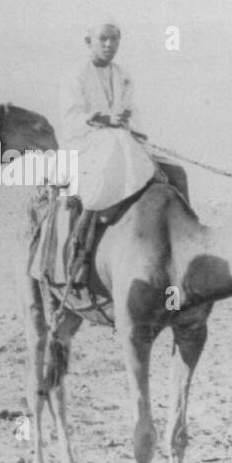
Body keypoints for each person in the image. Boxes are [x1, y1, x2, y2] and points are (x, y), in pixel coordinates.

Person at [56, 20, 159, 285]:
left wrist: (125, 118)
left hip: (121, 139)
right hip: (86, 144)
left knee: (169, 173)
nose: (109, 44)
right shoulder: (75, 75)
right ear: (88, 41)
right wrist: (99, 119)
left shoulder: (123, 74)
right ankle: (79, 251)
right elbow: (70, 118)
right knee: (103, 171)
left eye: (114, 39)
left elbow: (132, 110)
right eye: (103, 39)